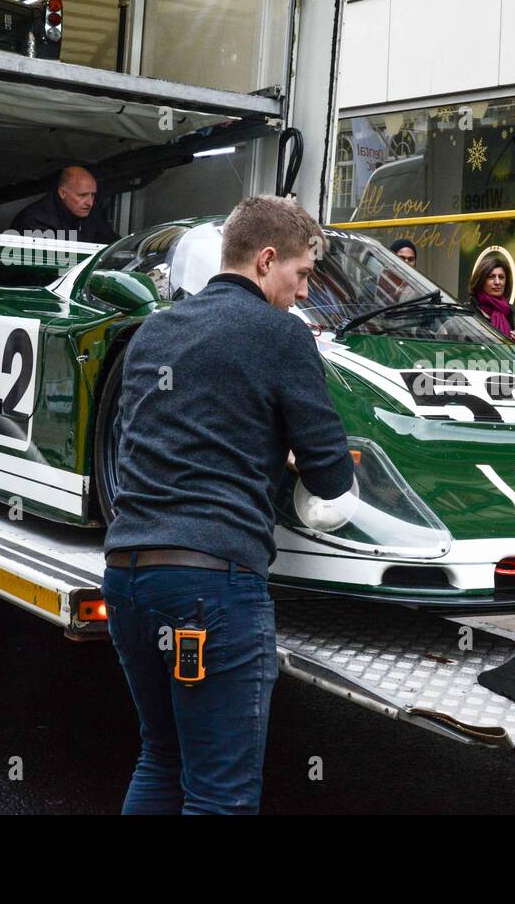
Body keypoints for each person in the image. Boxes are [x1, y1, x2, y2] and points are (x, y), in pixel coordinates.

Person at [101, 196, 354, 813]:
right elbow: (328, 470)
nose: (301, 294)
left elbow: (161, 433)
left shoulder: (156, 328)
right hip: (210, 585)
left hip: (129, 575)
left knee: (160, 758)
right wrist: (312, 458)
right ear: (267, 261)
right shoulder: (281, 335)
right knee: (220, 793)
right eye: (300, 276)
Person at [10, 166, 120, 244]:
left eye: (92, 195)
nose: (90, 202)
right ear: (62, 193)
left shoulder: (91, 213)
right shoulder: (35, 219)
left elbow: (113, 244)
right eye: (82, 195)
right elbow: (47, 269)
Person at [469, 255, 515, 337]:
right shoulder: (468, 311)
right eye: (491, 277)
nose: (497, 282)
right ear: (481, 280)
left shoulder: (511, 312)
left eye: (501, 277)